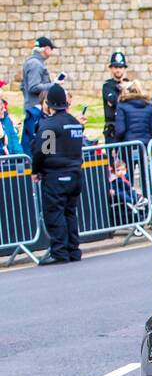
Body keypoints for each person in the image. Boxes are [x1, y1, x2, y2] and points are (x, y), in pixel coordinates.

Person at [31, 84, 84, 266]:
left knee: (55, 214)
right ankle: (73, 250)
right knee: (70, 213)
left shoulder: (50, 125)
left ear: (49, 103)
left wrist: (35, 170)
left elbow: (42, 151)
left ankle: (60, 252)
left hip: (56, 175)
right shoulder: (75, 123)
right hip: (75, 174)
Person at [22, 37, 56, 157]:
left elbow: (23, 87)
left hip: (34, 108)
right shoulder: (35, 64)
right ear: (46, 49)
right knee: (38, 145)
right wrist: (53, 85)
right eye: (51, 49)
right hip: (35, 110)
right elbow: (33, 87)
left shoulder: (33, 62)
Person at [102, 50, 127, 144]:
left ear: (124, 69)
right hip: (112, 128)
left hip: (126, 127)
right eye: (115, 67)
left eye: (120, 67)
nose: (118, 70)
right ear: (111, 69)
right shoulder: (107, 86)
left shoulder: (129, 83)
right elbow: (113, 100)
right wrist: (124, 93)